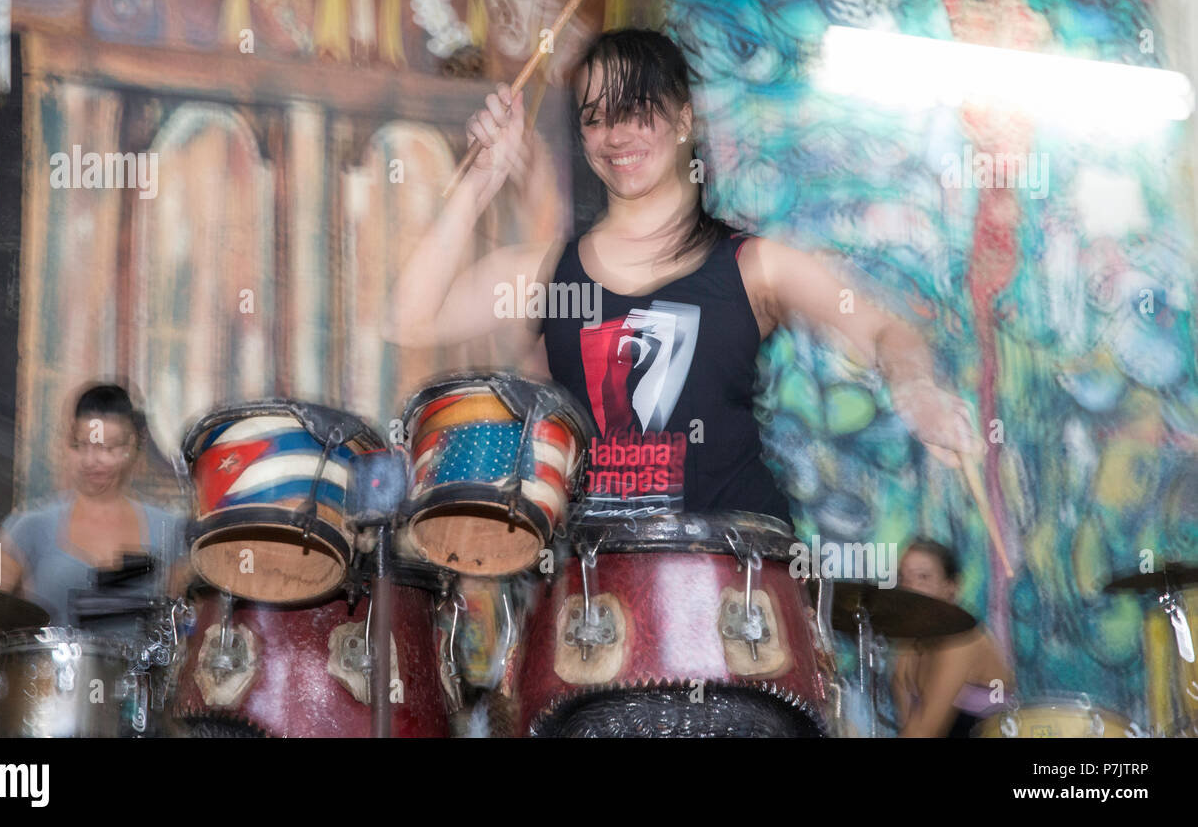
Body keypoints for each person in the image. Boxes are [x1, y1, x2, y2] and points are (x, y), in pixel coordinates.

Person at [387, 27, 983, 524]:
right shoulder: (547, 273)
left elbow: (884, 329)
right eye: (595, 117)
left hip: (736, 589)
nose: (615, 134)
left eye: (635, 111)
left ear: (682, 120)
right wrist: (480, 181)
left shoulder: (754, 265)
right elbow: (410, 319)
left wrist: (917, 391)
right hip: (594, 596)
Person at [0, 382, 189, 628]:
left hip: (144, 667)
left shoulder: (168, 529)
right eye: (81, 446)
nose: (92, 461)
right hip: (51, 665)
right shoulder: (30, 526)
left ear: (133, 447)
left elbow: (186, 626)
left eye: (107, 448)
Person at [891, 539, 1014, 737]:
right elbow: (908, 726)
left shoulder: (961, 640)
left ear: (950, 587)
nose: (910, 587)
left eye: (923, 577)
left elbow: (924, 733)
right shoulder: (908, 644)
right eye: (903, 577)